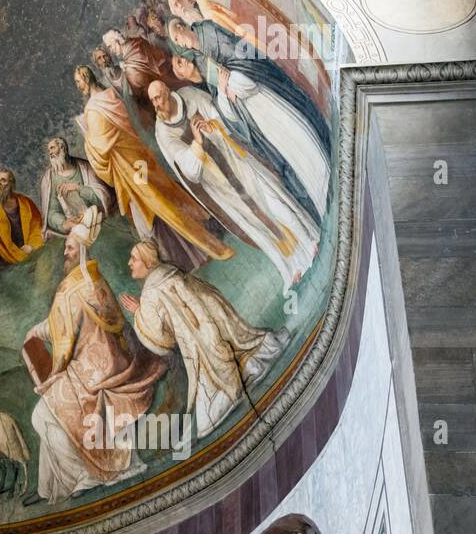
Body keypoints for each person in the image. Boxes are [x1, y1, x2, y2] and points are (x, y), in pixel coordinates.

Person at [24, 208, 166, 502]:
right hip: (105, 362)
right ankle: (52, 487)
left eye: (70, 248)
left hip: (95, 370)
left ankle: (87, 474)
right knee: (45, 414)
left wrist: (36, 333)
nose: (65, 252)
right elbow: (66, 324)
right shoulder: (93, 280)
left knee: (42, 414)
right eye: (65, 247)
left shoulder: (74, 287)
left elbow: (59, 328)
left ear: (82, 251)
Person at [149, 81, 319, 288]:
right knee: (257, 223)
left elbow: (219, 114)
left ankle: (308, 240)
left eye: (158, 98)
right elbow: (189, 169)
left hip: (236, 160)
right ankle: (293, 264)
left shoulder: (189, 96)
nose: (156, 105)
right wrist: (197, 142)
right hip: (220, 185)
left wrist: (213, 126)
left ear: (167, 92)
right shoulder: (163, 131)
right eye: (152, 100)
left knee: (273, 202)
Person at [119, 239, 287, 441]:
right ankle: (251, 362)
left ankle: (225, 393)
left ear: (146, 261)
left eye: (134, 259)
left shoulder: (150, 293)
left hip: (196, 340)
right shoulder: (170, 271)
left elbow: (162, 341)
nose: (130, 263)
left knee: (212, 377)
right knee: (234, 343)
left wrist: (138, 313)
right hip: (213, 314)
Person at [74, 65, 232, 270]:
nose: (79, 87)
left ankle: (190, 253)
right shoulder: (111, 95)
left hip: (130, 168)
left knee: (151, 208)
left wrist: (88, 142)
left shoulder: (94, 109)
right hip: (140, 158)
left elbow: (99, 149)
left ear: (86, 80)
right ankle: (196, 248)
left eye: (79, 82)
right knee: (162, 198)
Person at [168, 22, 330, 222]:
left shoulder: (210, 34)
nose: (180, 43)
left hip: (263, 97)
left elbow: (245, 66)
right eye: (176, 42)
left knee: (295, 134)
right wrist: (225, 90)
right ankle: (319, 190)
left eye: (178, 36)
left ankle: (323, 176)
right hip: (254, 114)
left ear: (182, 27)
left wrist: (229, 87)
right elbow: (224, 106)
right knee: (286, 149)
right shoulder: (205, 70)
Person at [38, 136, 111, 241]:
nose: (50, 152)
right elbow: (51, 212)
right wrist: (63, 223)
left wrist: (78, 188)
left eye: (52, 148)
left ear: (62, 148)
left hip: (97, 221)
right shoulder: (48, 179)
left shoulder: (85, 167)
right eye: (49, 150)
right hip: (73, 229)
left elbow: (103, 197)